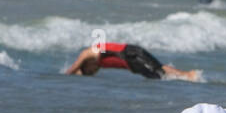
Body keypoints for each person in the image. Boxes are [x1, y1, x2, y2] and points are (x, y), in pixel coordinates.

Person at [64, 43, 198, 81]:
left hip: (130, 53)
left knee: (157, 69)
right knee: (156, 76)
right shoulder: (97, 63)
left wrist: (64, 77)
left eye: (89, 71)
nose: (93, 72)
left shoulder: (87, 53)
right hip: (131, 63)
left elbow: (74, 67)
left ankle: (188, 75)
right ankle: (183, 77)